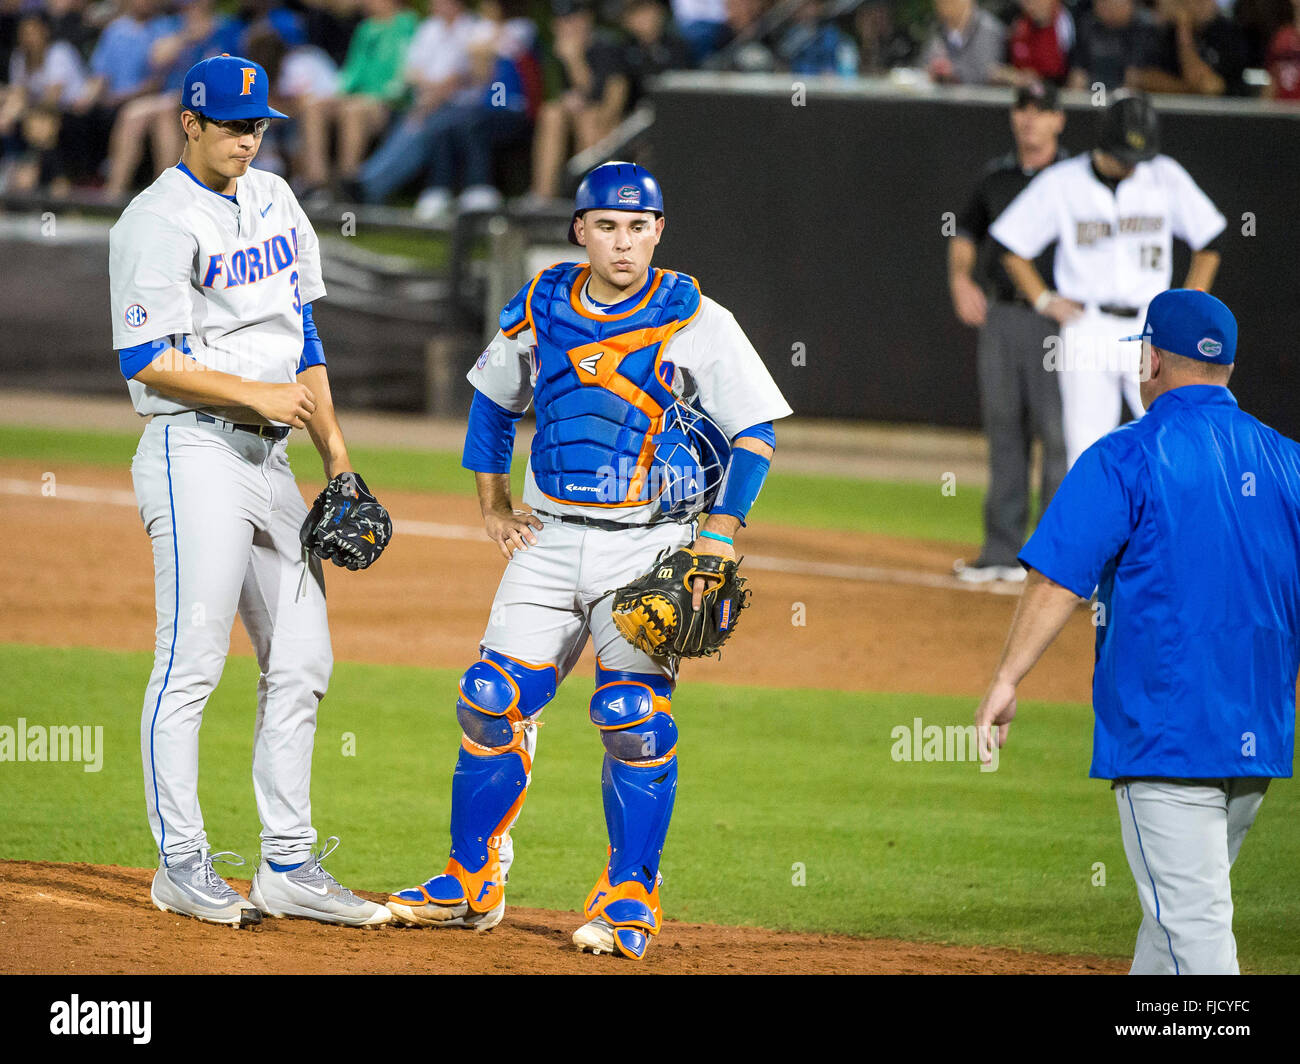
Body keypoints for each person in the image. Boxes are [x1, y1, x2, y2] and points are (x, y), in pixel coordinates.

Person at [385, 161, 793, 960]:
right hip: (548, 536)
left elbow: (756, 432)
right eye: (607, 225)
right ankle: (472, 881)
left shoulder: (694, 314)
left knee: (631, 719)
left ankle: (630, 896)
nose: (624, 242)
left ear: (659, 232)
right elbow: (493, 401)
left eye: (639, 227)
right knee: (488, 700)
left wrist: (719, 534)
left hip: (648, 544)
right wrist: (492, 505)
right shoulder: (541, 302)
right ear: (580, 230)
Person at [109, 53, 390, 928]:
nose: (247, 136)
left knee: (303, 662)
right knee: (190, 663)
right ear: (186, 121)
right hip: (190, 453)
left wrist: (336, 455)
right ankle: (181, 864)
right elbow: (145, 360)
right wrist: (255, 395)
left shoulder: (276, 199)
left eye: (257, 123)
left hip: (272, 463)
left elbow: (305, 337)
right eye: (231, 122)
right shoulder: (154, 220)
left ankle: (288, 864)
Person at [975, 289, 1300, 975]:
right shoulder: (1285, 461)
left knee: (1196, 936)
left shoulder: (1128, 454)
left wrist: (1006, 679)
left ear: (1150, 359)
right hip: (1257, 742)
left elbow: (1059, 580)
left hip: (1166, 740)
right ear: (1228, 369)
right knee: (1175, 924)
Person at [990, 91, 1225, 468]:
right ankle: (1098, 528)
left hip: (1152, 329)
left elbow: (1210, 239)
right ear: (1104, 143)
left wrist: (1190, 301)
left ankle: (1174, 526)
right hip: (1089, 326)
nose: (1134, 165)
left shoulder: (1164, 175)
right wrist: (1043, 299)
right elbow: (1011, 244)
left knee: (1179, 444)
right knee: (1085, 453)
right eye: (1125, 156)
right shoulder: (1063, 182)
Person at [949, 81, 1068, 584]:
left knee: (1061, 436)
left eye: (1041, 111)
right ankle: (1000, 551)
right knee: (1004, 432)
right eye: (1023, 109)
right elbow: (966, 232)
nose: (1029, 119)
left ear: (1059, 120)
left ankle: (1057, 558)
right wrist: (959, 279)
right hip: (1003, 316)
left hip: (1060, 321)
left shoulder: (1075, 178)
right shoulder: (995, 178)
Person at [293, 0, 418, 200]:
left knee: (353, 109)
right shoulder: (366, 28)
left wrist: (377, 96)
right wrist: (336, 94)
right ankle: (317, 182)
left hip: (389, 102)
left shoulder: (408, 25)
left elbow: (405, 72)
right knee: (313, 105)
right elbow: (353, 71)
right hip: (358, 98)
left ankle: (346, 182)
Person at [1132, 0, 1249, 96]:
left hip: (1222, 116)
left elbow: (1209, 87)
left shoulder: (1229, 33)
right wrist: (1189, 89)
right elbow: (1142, 79)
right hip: (1174, 113)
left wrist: (1184, 32)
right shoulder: (1168, 31)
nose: (1193, 5)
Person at [1066, 0, 1162, 92]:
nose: (1104, 5)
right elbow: (1078, 73)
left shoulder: (1145, 30)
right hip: (1092, 96)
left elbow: (1134, 77)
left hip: (1132, 99)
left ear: (1129, 4)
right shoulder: (1087, 25)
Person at [919, 0, 1007, 85]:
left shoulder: (988, 29)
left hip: (980, 98)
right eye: (939, 2)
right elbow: (924, 65)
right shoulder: (938, 28)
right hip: (942, 97)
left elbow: (987, 74)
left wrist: (953, 71)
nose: (943, 7)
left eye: (950, 1)